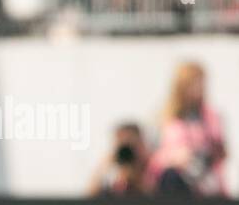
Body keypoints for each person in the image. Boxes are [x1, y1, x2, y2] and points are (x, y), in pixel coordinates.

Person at [149, 61, 228, 198]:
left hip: (206, 185)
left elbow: (222, 153)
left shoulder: (211, 117)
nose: (200, 88)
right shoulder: (165, 117)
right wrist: (175, 157)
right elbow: (152, 156)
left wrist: (208, 152)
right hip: (173, 183)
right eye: (195, 83)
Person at [87, 122, 151, 198]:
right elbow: (89, 198)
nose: (126, 151)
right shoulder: (112, 189)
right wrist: (105, 165)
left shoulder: (156, 175)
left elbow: (154, 195)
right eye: (122, 144)